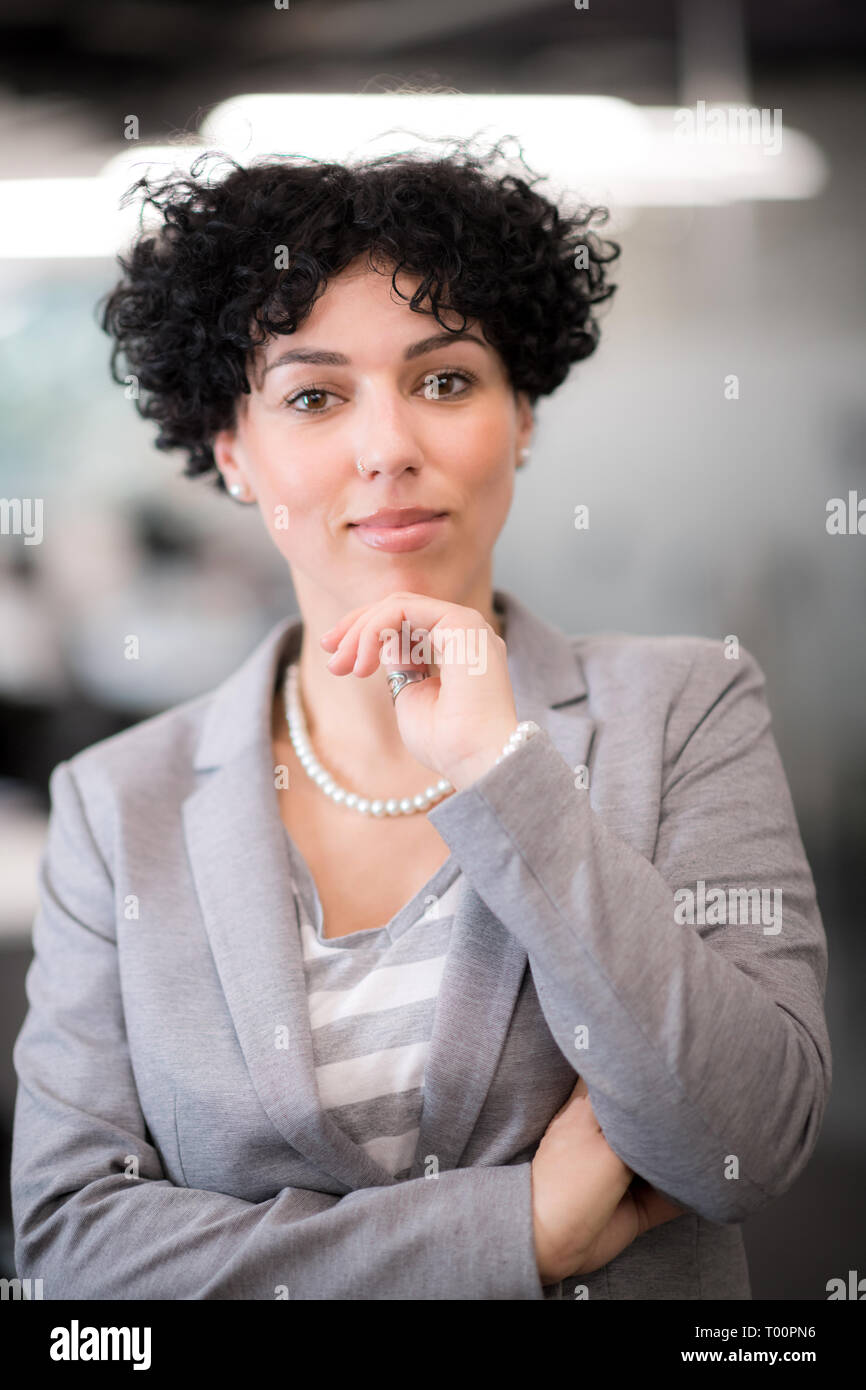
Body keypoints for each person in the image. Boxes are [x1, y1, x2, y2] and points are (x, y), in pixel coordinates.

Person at [11, 143, 831, 1300]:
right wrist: (516, 1236)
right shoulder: (115, 801)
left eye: (445, 380)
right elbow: (72, 1257)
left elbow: (741, 1142)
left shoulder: (684, 708)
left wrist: (503, 775)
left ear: (523, 415)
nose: (388, 446)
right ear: (233, 450)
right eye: (312, 395)